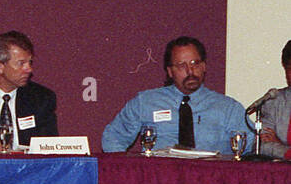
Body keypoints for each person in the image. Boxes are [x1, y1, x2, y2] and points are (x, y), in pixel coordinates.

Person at [102, 36, 247, 154]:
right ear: (170, 72)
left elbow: (249, 145)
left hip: (209, 182)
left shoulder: (229, 108)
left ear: (204, 67)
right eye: (181, 66)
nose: (190, 71)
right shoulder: (145, 102)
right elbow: (112, 139)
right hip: (159, 181)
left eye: (194, 63)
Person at [252, 40, 291, 158]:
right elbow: (262, 146)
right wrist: (287, 152)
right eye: (290, 67)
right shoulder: (274, 101)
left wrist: (279, 144)